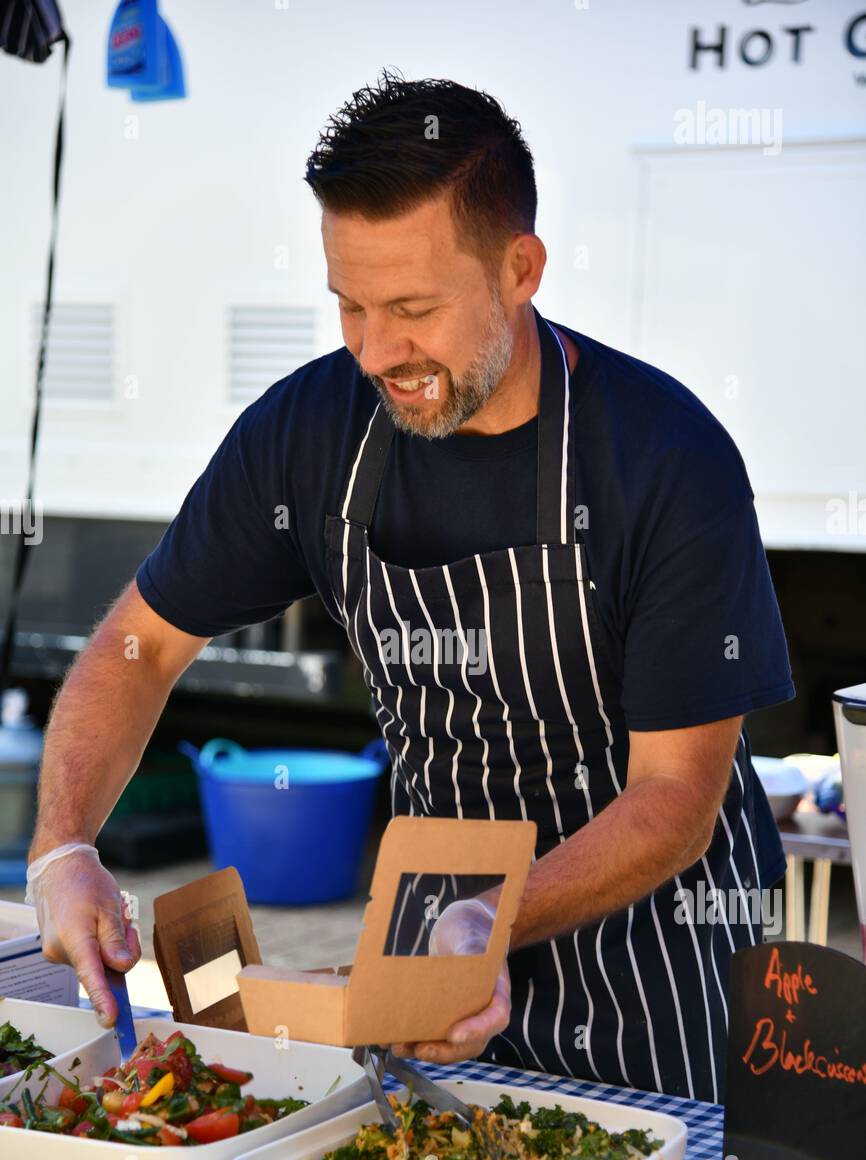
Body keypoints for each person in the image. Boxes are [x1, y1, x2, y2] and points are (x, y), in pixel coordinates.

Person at [27, 72, 794, 1103]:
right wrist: (61, 841)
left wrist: (486, 921)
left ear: (518, 268)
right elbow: (143, 646)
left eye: (414, 308)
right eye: (349, 304)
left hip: (655, 978)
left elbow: (675, 799)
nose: (377, 350)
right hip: (424, 976)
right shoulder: (306, 434)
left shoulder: (662, 458)